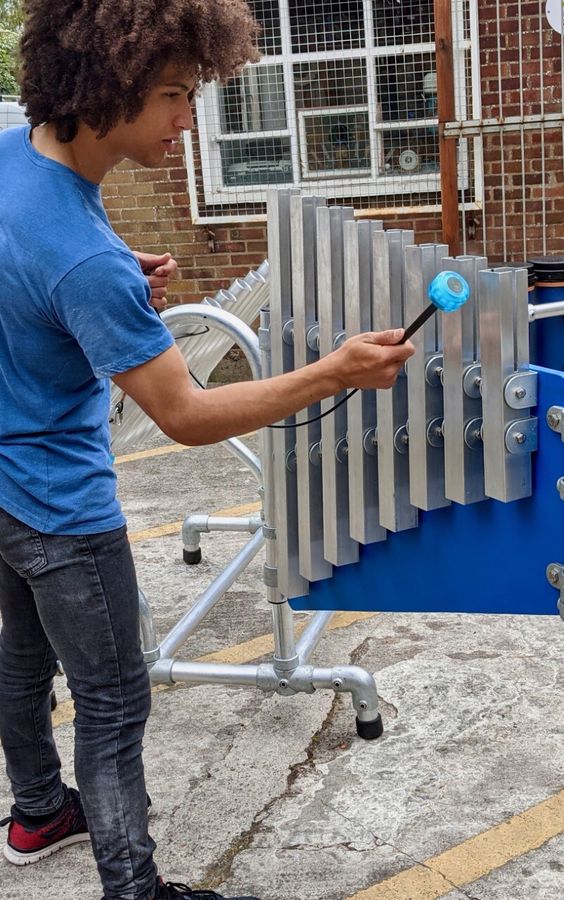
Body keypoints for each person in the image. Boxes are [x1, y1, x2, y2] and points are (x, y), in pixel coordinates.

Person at [0, 2, 415, 899]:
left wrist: (108, 281)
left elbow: (31, 271)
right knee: (113, 700)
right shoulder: (82, 259)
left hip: (2, 491)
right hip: (59, 505)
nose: (189, 119)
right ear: (106, 86)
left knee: (23, 661)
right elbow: (185, 416)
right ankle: (135, 888)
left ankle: (37, 812)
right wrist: (336, 371)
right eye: (174, 95)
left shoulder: (11, 166)